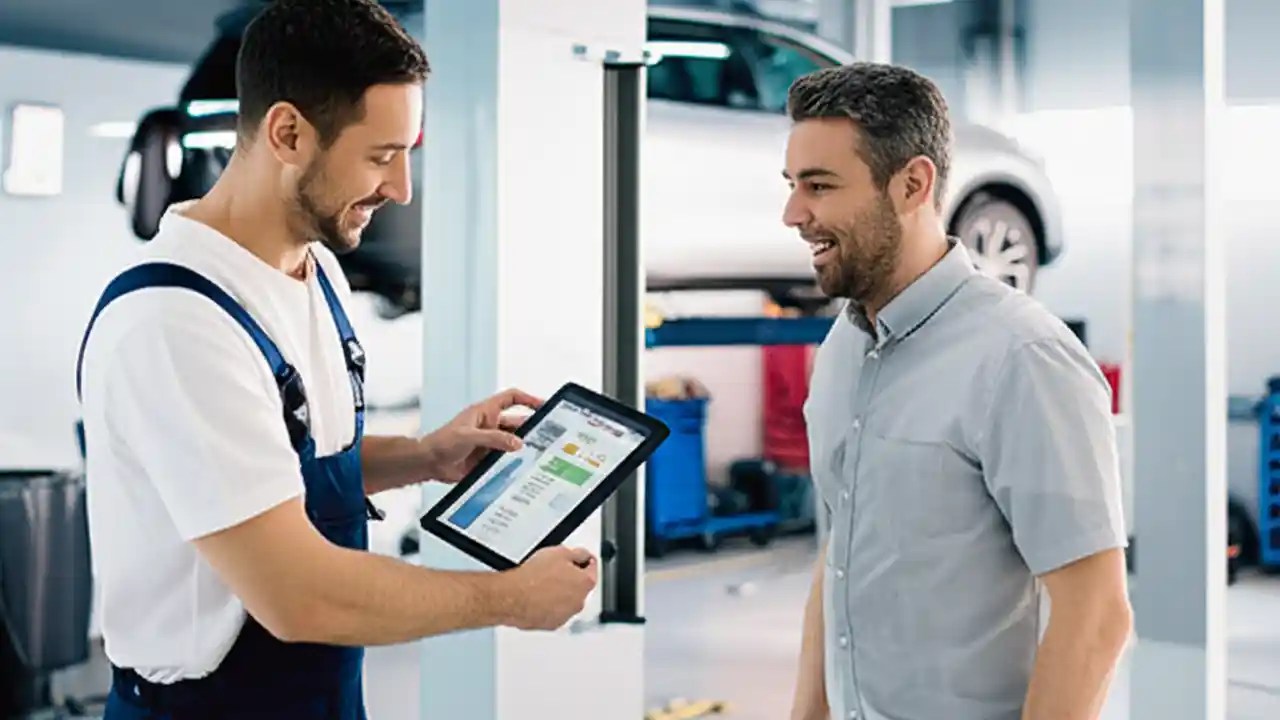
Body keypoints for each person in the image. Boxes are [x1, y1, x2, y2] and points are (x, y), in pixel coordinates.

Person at [75, 2, 597, 718]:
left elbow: (285, 466)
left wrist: (424, 455)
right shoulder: (175, 321)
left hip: (324, 697)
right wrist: (508, 600)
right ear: (288, 132)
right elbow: (299, 595)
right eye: (381, 156)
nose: (402, 189)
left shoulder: (317, 270)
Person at [781, 63, 1133, 720]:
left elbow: (1096, 616)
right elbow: (843, 559)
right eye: (793, 185)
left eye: (820, 187)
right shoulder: (844, 347)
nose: (793, 214)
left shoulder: (1022, 358)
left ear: (913, 184)